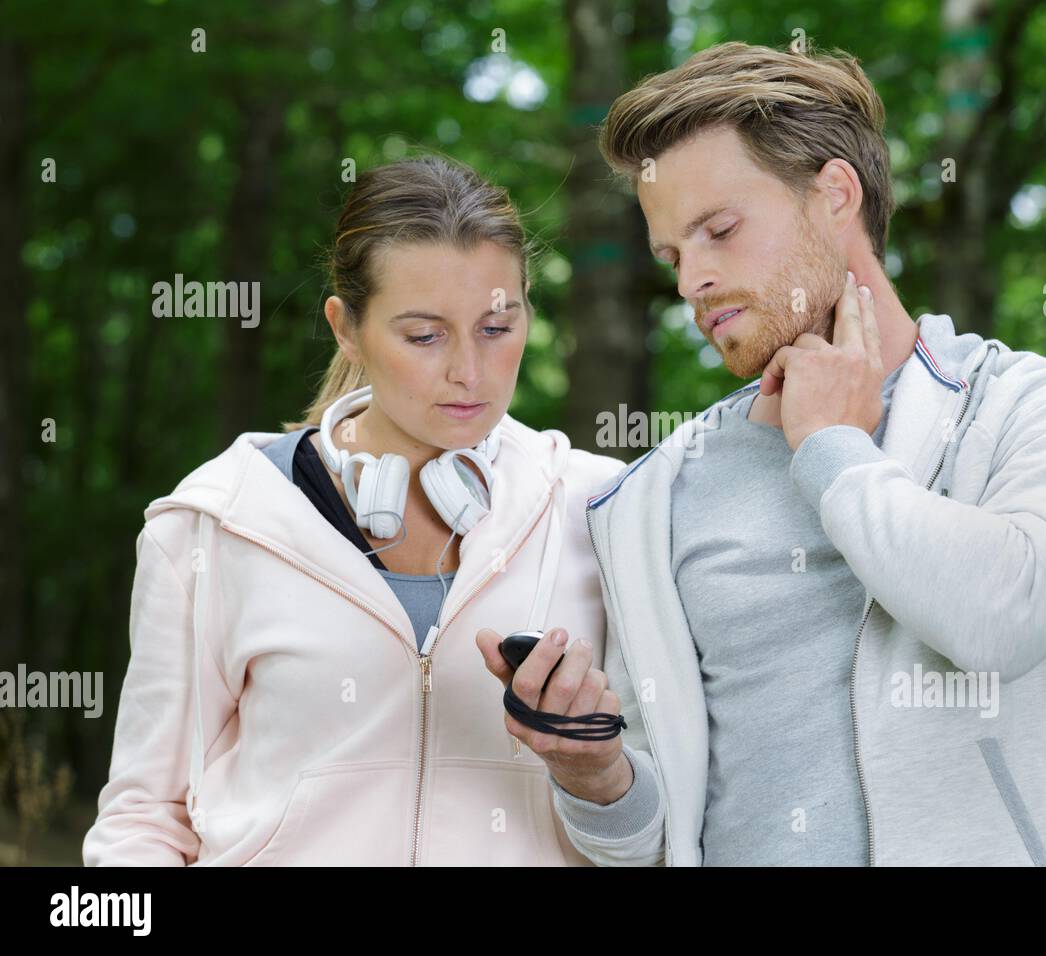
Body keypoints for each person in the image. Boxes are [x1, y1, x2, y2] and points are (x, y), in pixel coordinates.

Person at [515, 40, 1046, 866]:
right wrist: (594, 776)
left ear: (835, 194)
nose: (689, 282)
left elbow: (1004, 619)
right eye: (673, 255)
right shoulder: (653, 497)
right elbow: (653, 840)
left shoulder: (1043, 412)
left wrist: (832, 448)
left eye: (720, 231)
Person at [82, 155, 637, 865]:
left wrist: (596, 771)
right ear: (346, 328)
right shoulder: (212, 523)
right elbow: (144, 816)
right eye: (424, 335)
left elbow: (665, 821)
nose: (470, 371)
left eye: (497, 328)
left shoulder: (603, 509)